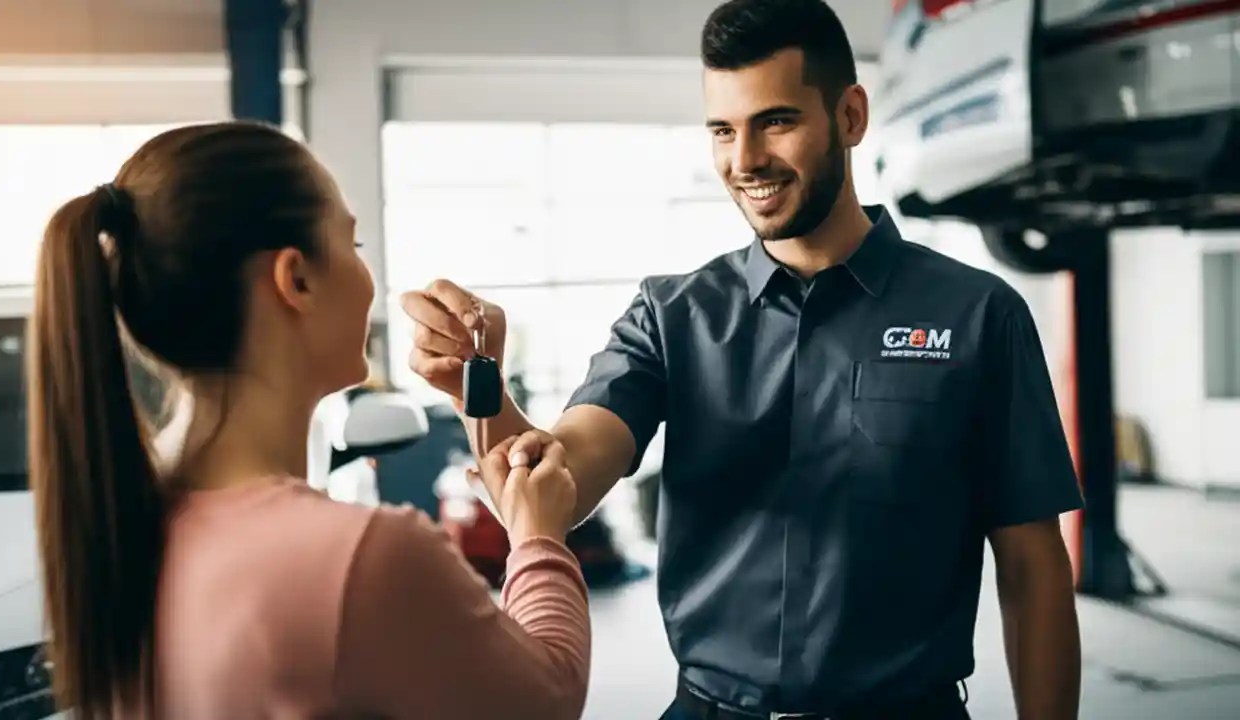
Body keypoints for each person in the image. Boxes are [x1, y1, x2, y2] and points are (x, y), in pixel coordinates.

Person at [401, 0, 1084, 718]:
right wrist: (475, 388)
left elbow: (1032, 564)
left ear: (851, 117)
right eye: (723, 130)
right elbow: (560, 484)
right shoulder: (671, 315)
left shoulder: (977, 315)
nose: (745, 160)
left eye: (776, 122)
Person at [26, 121, 590, 719]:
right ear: (295, 278)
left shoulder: (122, 518)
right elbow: (546, 702)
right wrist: (537, 535)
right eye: (353, 246)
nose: (368, 279)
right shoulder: (366, 556)